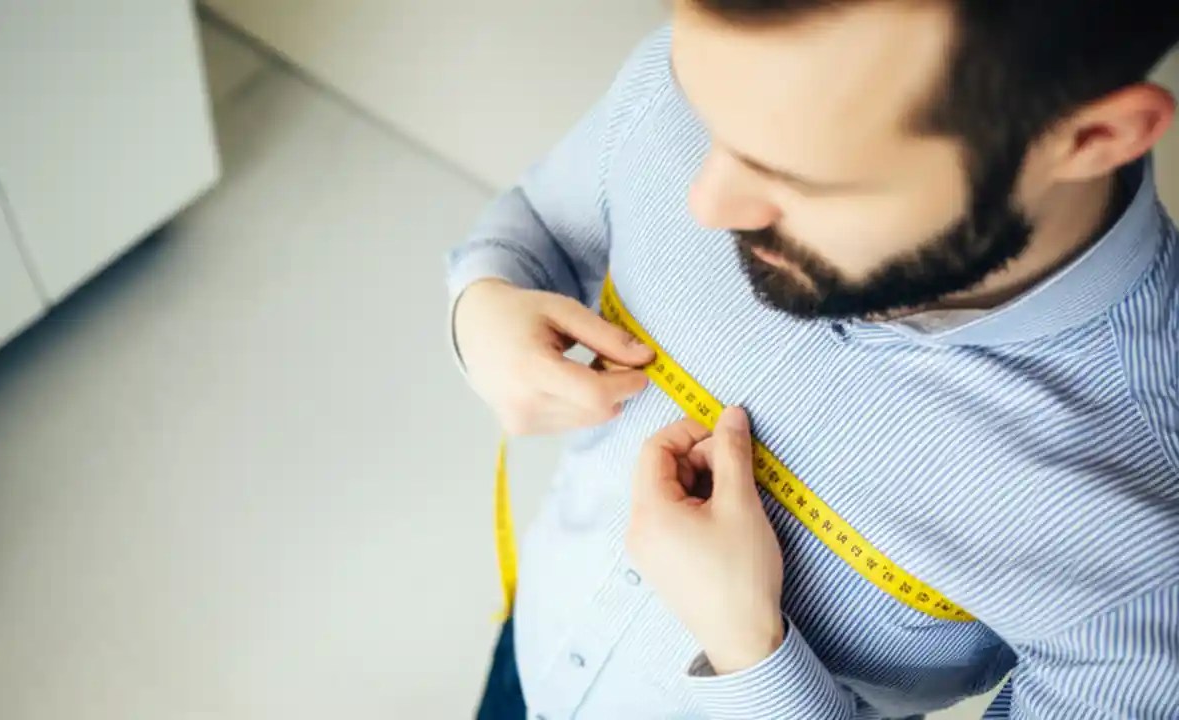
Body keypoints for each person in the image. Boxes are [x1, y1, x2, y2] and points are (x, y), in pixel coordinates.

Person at [444, 0, 1179, 717]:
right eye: (705, 121)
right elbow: (541, 221)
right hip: (529, 656)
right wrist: (482, 305)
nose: (705, 202)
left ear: (1094, 139)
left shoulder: (1149, 537)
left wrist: (752, 654)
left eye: (803, 181)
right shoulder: (717, 78)